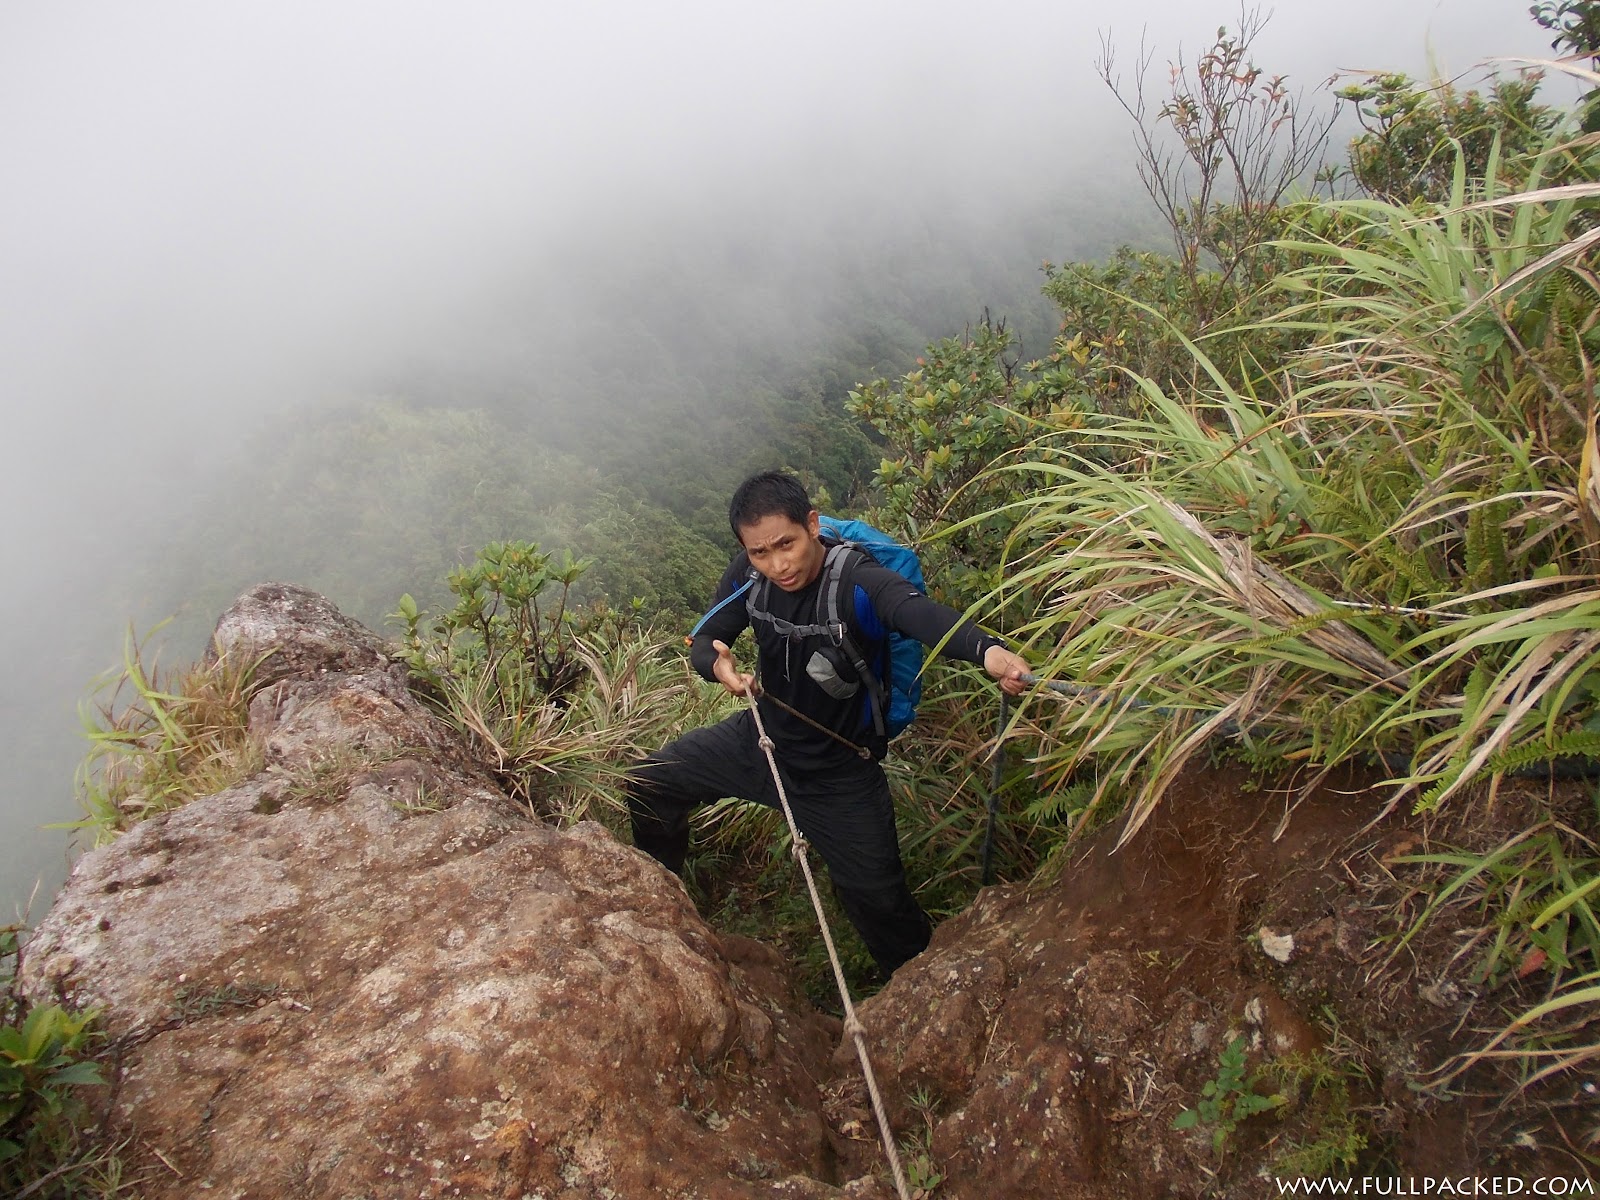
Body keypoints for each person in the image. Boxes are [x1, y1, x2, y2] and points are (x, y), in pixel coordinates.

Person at [625, 470, 1030, 976]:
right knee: (650, 784)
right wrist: (716, 665)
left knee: (882, 906)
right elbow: (709, 636)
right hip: (763, 742)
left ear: (812, 525)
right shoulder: (748, 577)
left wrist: (987, 651)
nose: (778, 564)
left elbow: (916, 614)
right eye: (759, 552)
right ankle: (665, 909)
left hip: (841, 773)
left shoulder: (859, 582)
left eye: (786, 544)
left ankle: (918, 996)